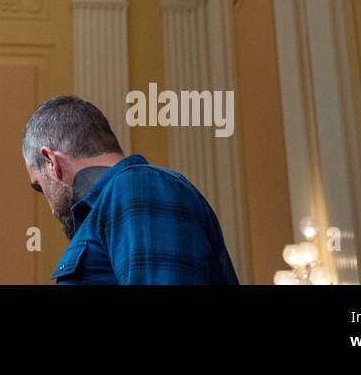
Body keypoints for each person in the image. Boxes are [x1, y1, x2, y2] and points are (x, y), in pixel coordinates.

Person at [22, 95, 237, 284]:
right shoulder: (127, 195)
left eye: (40, 187)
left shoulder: (138, 186)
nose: (51, 209)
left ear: (51, 161)